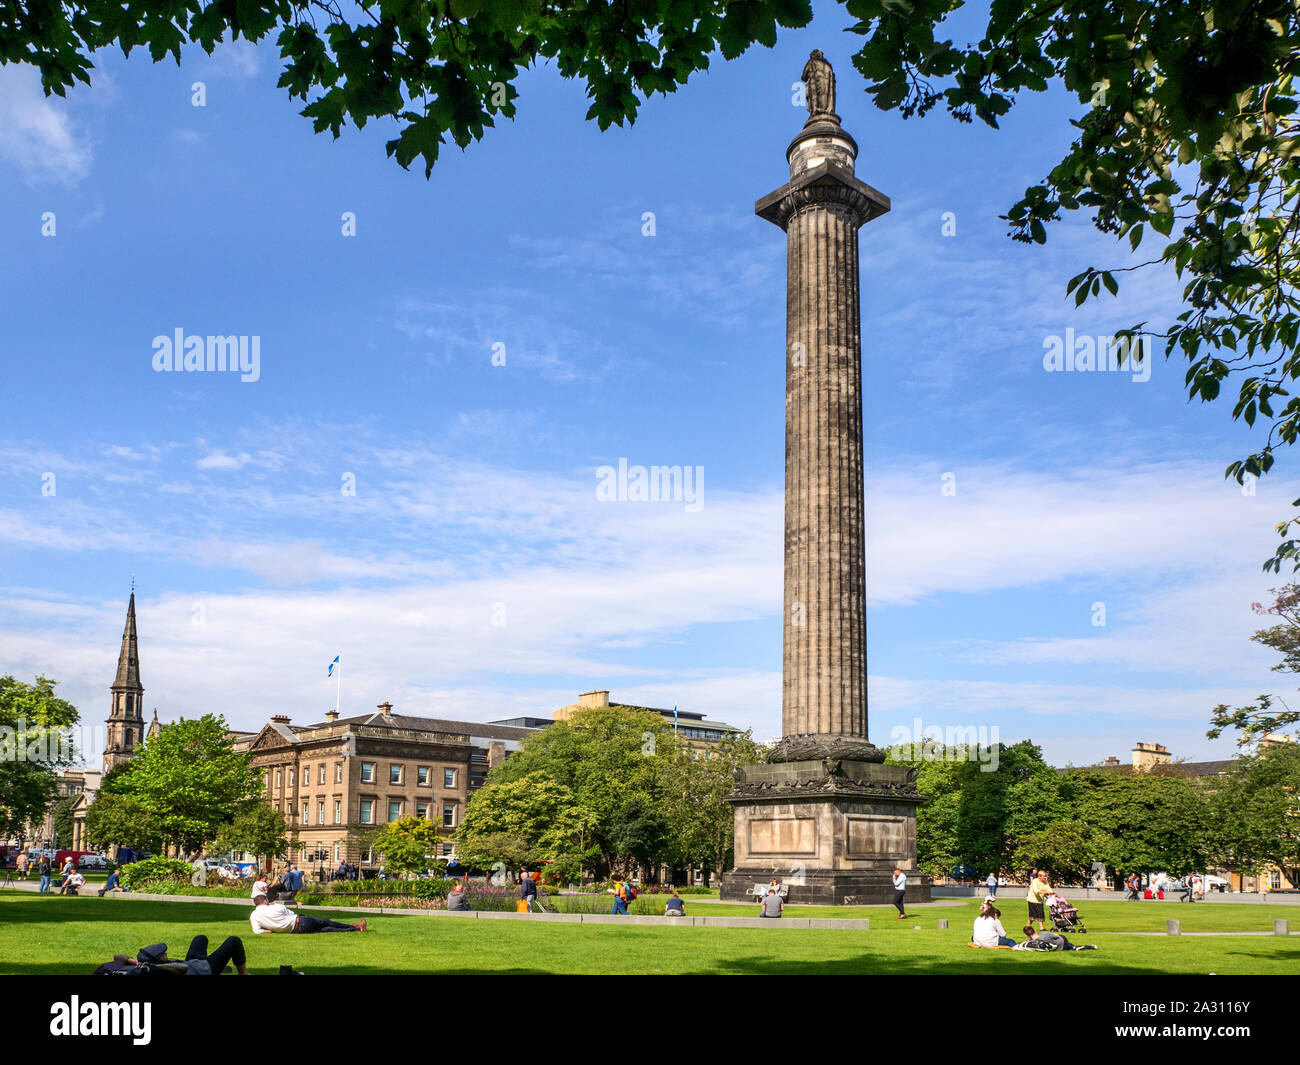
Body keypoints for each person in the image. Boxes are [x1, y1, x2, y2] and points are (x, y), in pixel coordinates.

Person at [95, 936, 250, 975]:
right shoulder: (158, 970)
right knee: (233, 941)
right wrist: (156, 967)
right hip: (205, 969)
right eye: (164, 954)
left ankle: (222, 967)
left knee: (200, 938)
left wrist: (131, 961)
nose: (166, 954)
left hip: (193, 962)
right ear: (161, 958)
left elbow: (117, 956)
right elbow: (181, 968)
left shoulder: (142, 967)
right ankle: (243, 972)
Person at [249, 892, 365, 934]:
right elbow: (291, 913)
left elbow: (256, 931)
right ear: (265, 901)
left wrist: (269, 930)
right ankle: (353, 926)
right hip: (299, 922)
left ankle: (355, 929)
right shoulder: (276, 907)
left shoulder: (254, 916)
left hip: (295, 931)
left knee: (325, 929)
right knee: (326, 922)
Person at [1013, 924, 1098, 951]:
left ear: (1027, 935)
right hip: (1061, 942)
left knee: (1068, 946)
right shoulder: (1044, 933)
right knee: (1063, 939)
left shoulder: (1031, 942)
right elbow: (1056, 935)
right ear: (1034, 930)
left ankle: (1073, 947)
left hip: (1057, 948)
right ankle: (1089, 946)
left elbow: (1024, 943)